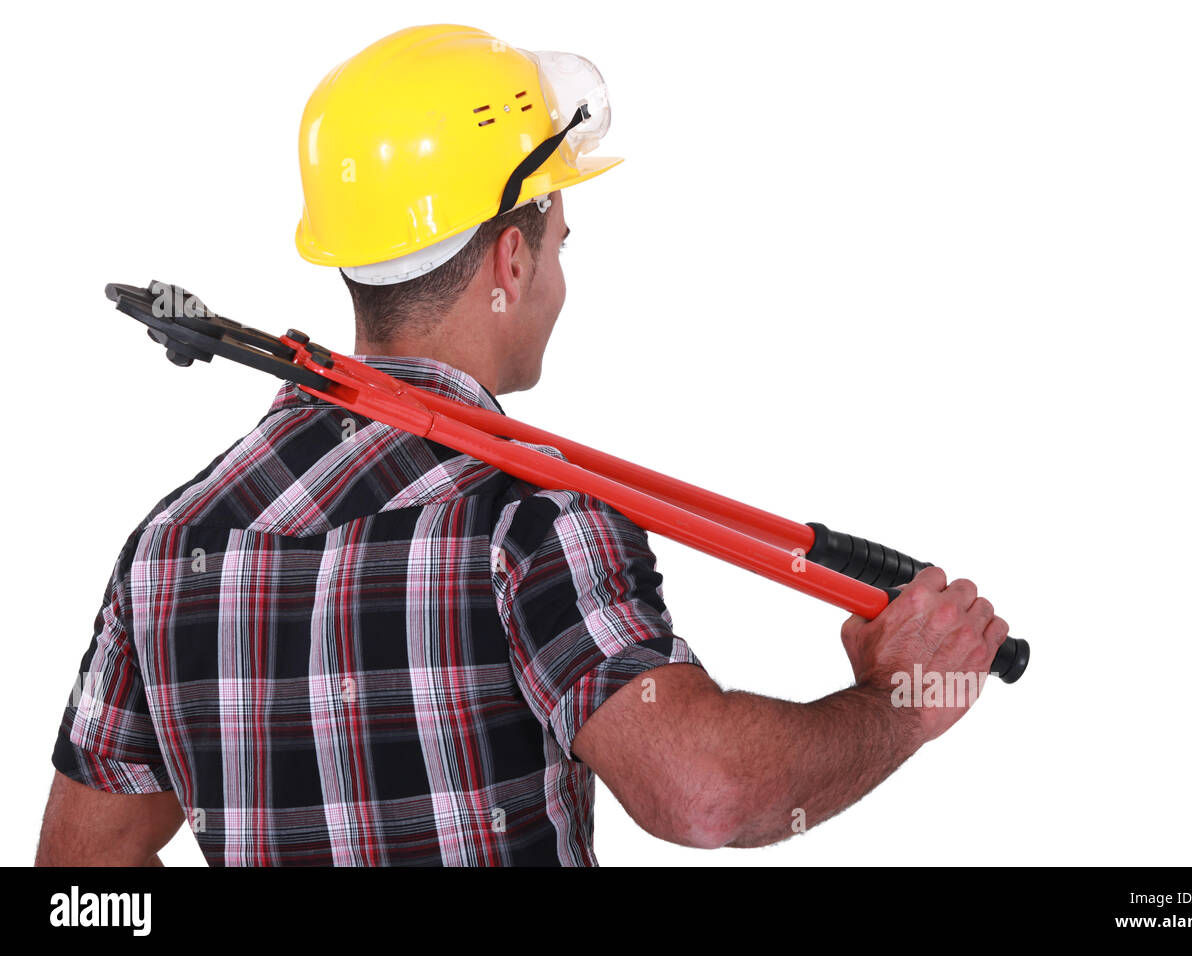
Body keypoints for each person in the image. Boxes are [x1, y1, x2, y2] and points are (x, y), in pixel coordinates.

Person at [37, 24, 1009, 866]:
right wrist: (899, 703)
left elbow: (80, 877)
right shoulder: (531, 516)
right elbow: (706, 792)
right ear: (513, 254)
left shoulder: (171, 547)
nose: (557, 277)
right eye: (562, 240)